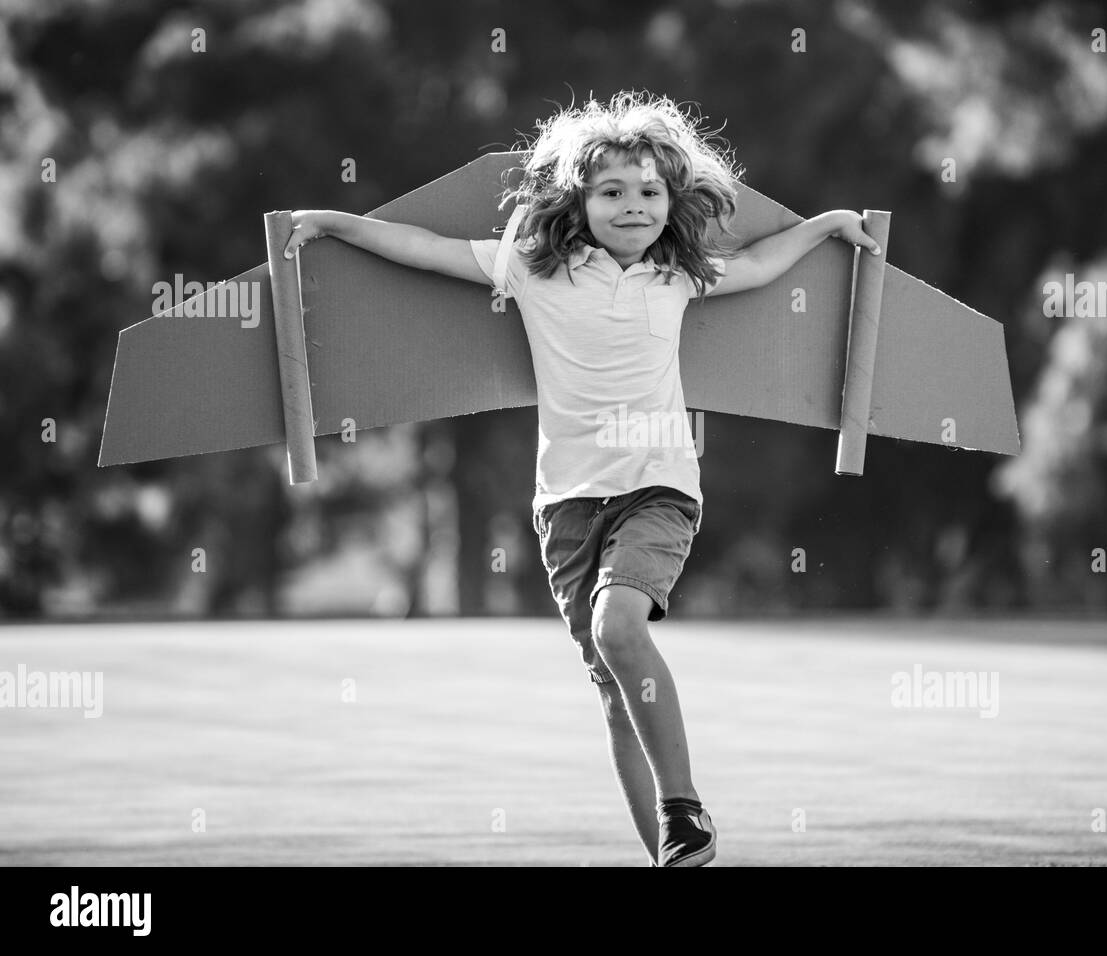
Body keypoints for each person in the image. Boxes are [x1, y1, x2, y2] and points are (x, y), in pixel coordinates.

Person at [283, 90, 880, 867]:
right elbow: (421, 248)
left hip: (659, 488)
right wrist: (333, 223)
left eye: (649, 191)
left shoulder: (677, 277)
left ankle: (685, 805)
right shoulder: (532, 269)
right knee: (610, 689)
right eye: (612, 192)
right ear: (579, 200)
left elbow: (765, 266)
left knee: (617, 628)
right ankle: (673, 852)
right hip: (565, 503)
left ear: (671, 200)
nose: (633, 206)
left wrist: (830, 225)